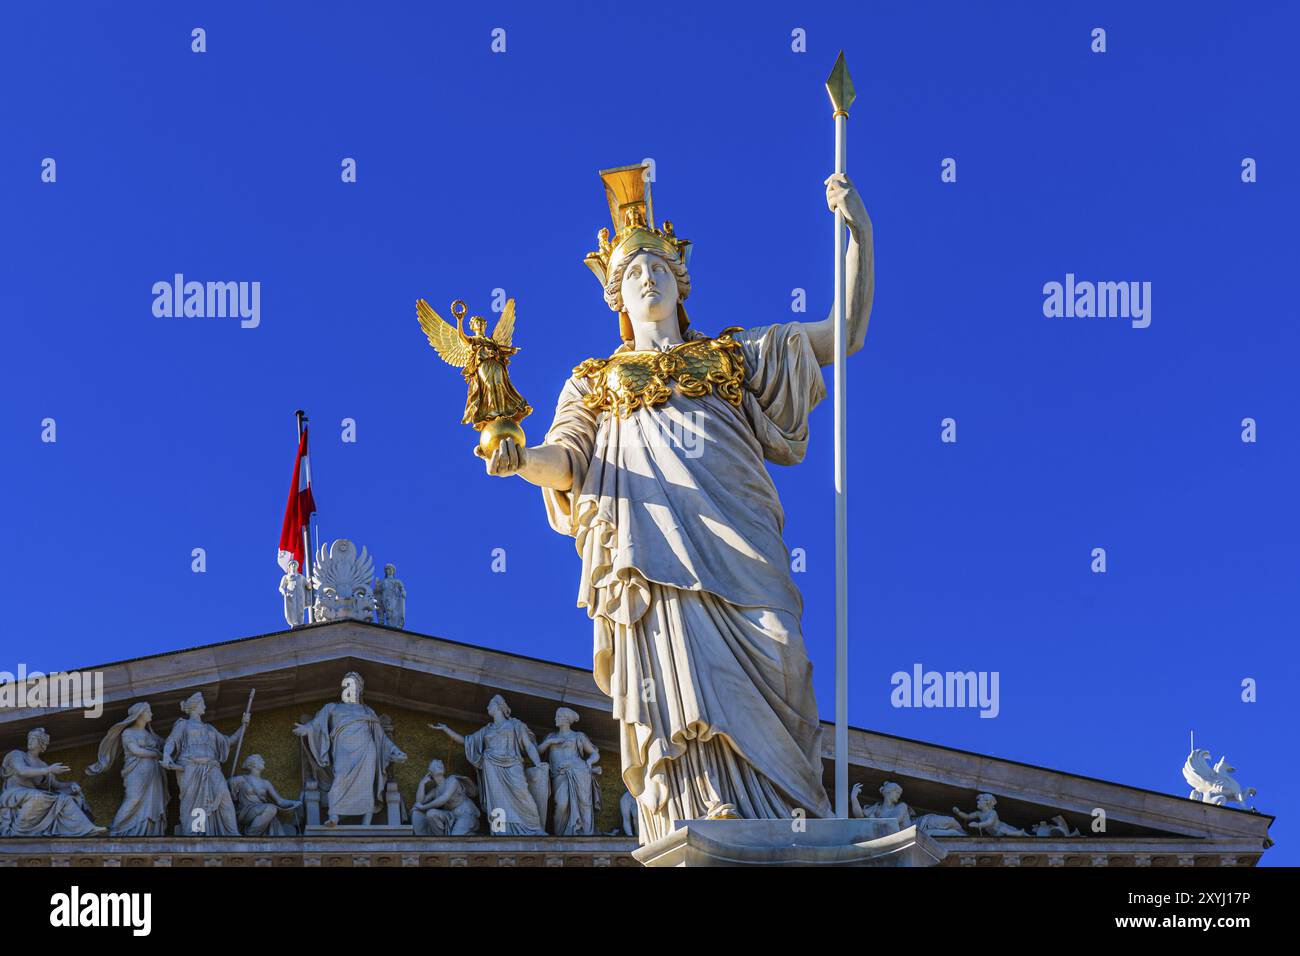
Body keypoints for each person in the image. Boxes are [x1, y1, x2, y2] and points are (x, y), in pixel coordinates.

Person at [480, 164, 873, 843]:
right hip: (651, 559)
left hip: (741, 542)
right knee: (677, 693)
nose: (650, 279)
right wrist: (521, 461)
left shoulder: (736, 355)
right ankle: (701, 811)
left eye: (661, 268)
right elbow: (568, 461)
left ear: (680, 283)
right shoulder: (595, 382)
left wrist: (857, 236)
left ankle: (791, 818)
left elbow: (844, 333)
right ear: (618, 297)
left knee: (783, 655)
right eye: (636, 274)